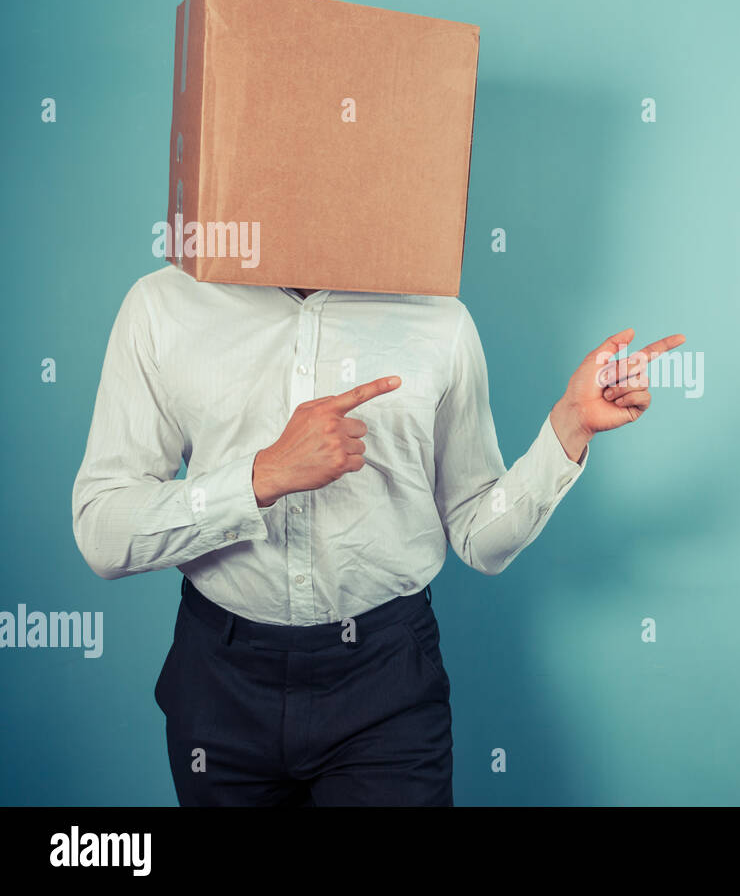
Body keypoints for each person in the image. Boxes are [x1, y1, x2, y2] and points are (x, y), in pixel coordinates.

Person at [71, 264, 684, 805]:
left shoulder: (439, 320)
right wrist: (262, 476)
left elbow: (479, 535)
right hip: (222, 679)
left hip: (384, 677)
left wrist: (569, 428)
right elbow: (102, 531)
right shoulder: (165, 303)